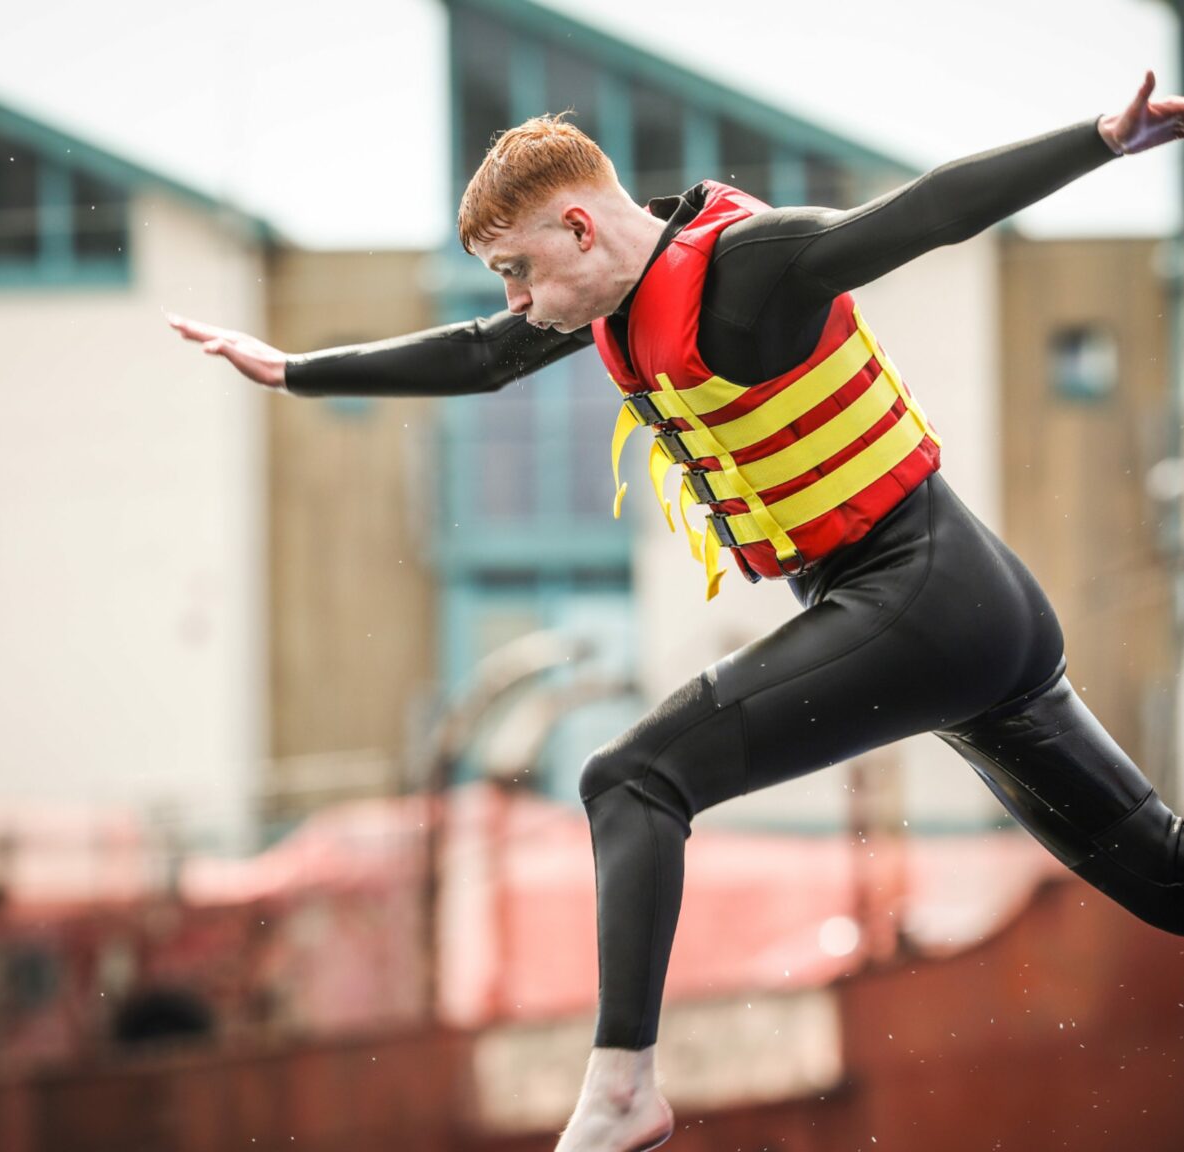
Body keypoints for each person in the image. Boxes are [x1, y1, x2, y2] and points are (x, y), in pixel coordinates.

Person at [170, 71, 1184, 1152]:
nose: (516, 300)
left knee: (630, 777)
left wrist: (1100, 140)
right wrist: (294, 372)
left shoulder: (747, 269)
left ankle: (619, 1088)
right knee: (1169, 884)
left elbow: (922, 214)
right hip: (964, 614)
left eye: (517, 271)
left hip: (925, 598)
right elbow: (479, 355)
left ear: (575, 228)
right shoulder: (611, 303)